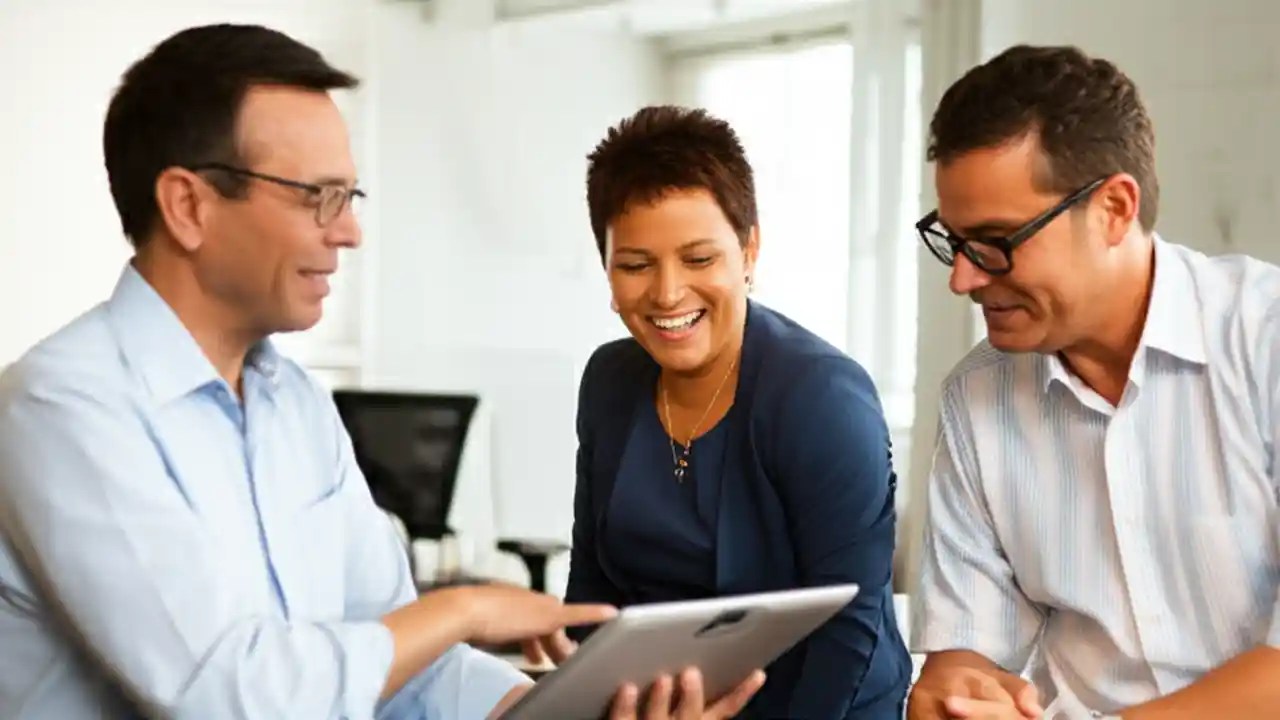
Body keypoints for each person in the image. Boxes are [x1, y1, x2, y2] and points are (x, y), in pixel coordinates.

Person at [0, 24, 762, 720]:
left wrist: (574, 711)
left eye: (349, 195)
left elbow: (403, 668)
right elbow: (228, 695)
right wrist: (463, 609)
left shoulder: (293, 404)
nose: (350, 230)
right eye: (318, 197)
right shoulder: (61, 407)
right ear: (188, 206)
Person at [907, 44, 1280, 720]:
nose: (962, 278)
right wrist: (952, 693)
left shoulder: (1266, 341)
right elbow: (964, 651)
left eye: (995, 242)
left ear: (1113, 208)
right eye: (954, 242)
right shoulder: (977, 396)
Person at [526, 105, 911, 718]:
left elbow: (850, 629)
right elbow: (592, 596)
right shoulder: (610, 380)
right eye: (635, 264)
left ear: (748, 249)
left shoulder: (821, 397)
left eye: (699, 259)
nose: (668, 293)